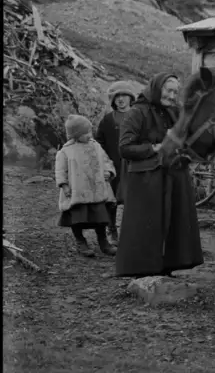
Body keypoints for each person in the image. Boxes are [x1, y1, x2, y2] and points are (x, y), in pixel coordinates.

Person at [114, 74, 204, 278]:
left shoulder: (174, 112)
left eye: (175, 92)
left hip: (173, 175)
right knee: (147, 224)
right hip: (147, 179)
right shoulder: (137, 112)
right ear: (156, 88)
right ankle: (142, 269)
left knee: (174, 221)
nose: (172, 96)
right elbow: (125, 148)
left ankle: (168, 266)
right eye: (168, 90)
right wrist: (155, 148)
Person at [56, 115, 117, 257]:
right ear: (76, 135)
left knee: (101, 218)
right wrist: (64, 185)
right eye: (85, 133)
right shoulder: (66, 151)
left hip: (96, 190)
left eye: (90, 132)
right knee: (77, 218)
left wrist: (108, 171)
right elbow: (60, 170)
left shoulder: (96, 146)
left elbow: (106, 160)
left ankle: (104, 242)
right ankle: (80, 242)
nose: (89, 135)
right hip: (77, 191)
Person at [94, 80, 137, 246]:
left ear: (130, 98)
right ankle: (111, 229)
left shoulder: (137, 117)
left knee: (132, 199)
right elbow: (100, 143)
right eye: (117, 97)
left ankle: (131, 231)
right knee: (111, 200)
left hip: (133, 165)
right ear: (112, 100)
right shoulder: (108, 120)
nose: (121, 100)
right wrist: (104, 163)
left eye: (124, 96)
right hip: (114, 165)